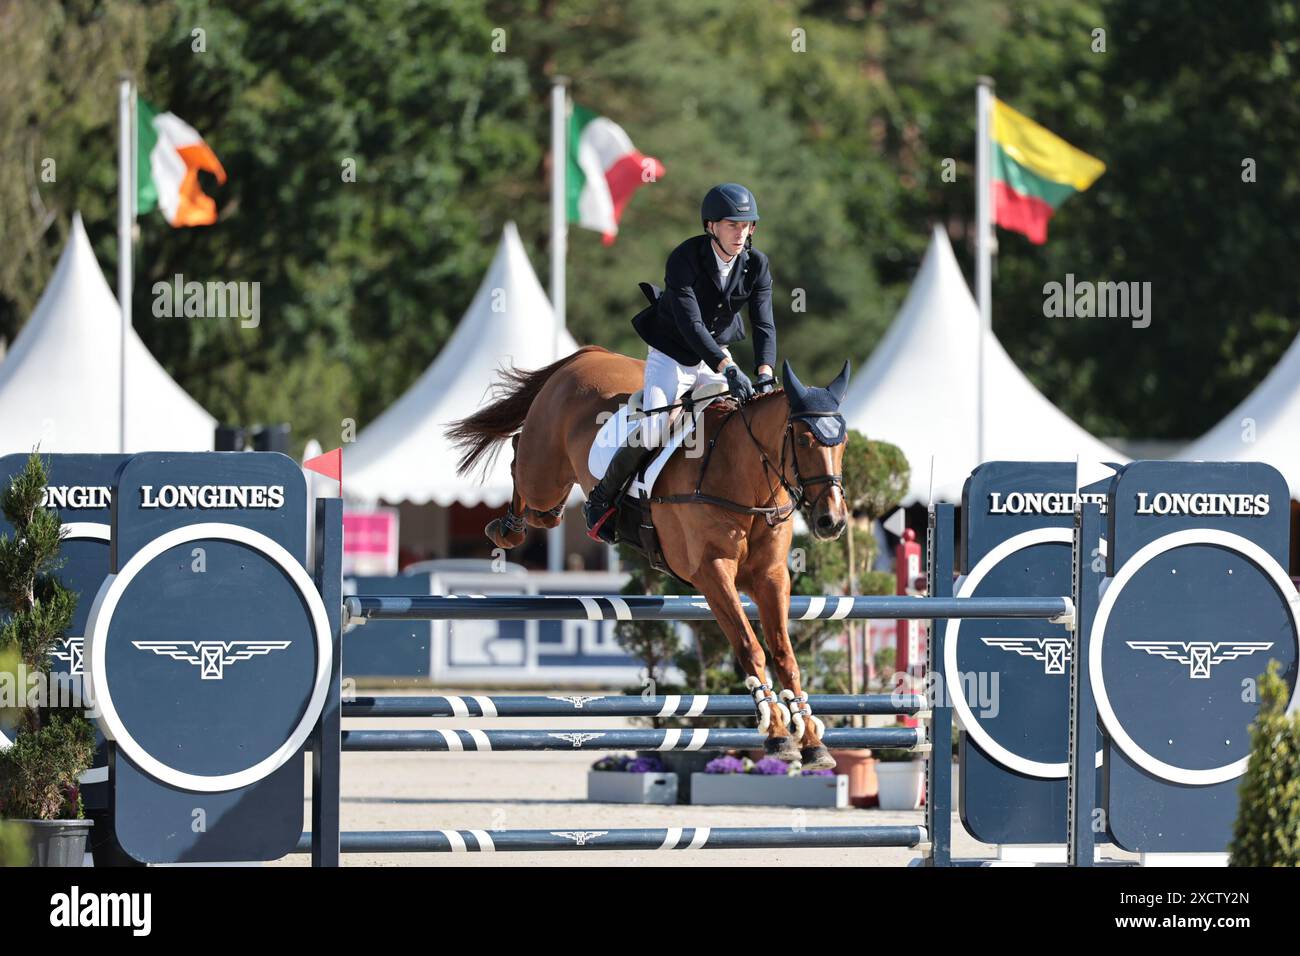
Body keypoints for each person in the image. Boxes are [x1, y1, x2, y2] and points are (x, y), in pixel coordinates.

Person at [584, 182, 777, 542]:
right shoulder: (684, 259)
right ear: (710, 226)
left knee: (740, 420)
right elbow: (691, 325)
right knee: (657, 426)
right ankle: (602, 499)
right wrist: (728, 368)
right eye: (732, 224)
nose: (741, 232)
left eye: (747, 225)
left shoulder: (757, 265)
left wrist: (765, 372)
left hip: (716, 355)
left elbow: (764, 323)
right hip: (672, 354)